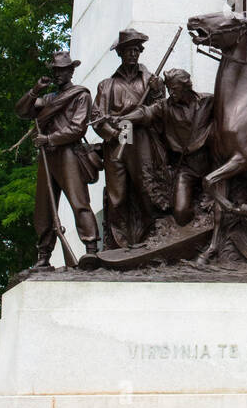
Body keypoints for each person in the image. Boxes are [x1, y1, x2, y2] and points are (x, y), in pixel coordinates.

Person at [15, 50, 100, 269]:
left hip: (68, 153)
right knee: (43, 208)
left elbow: (77, 128)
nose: (58, 74)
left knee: (79, 202)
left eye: (62, 70)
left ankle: (91, 249)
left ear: (71, 71)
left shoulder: (81, 95)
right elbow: (22, 111)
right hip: (47, 156)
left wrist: (49, 138)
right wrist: (35, 90)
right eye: (55, 71)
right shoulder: (48, 98)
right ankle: (44, 254)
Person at [91, 29, 165, 247]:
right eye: (128, 50)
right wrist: (112, 134)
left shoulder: (150, 81)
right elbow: (96, 116)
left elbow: (161, 109)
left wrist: (157, 92)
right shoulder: (107, 85)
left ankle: (152, 236)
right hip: (116, 139)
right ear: (120, 54)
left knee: (146, 185)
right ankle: (119, 243)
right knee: (118, 193)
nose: (133, 54)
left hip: (141, 136)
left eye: (136, 50)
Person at [121, 68, 214, 226]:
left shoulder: (208, 101)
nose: (171, 92)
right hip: (186, 167)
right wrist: (123, 119)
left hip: (211, 163)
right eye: (169, 88)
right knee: (180, 213)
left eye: (175, 89)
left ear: (186, 86)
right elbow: (145, 113)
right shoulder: (165, 106)